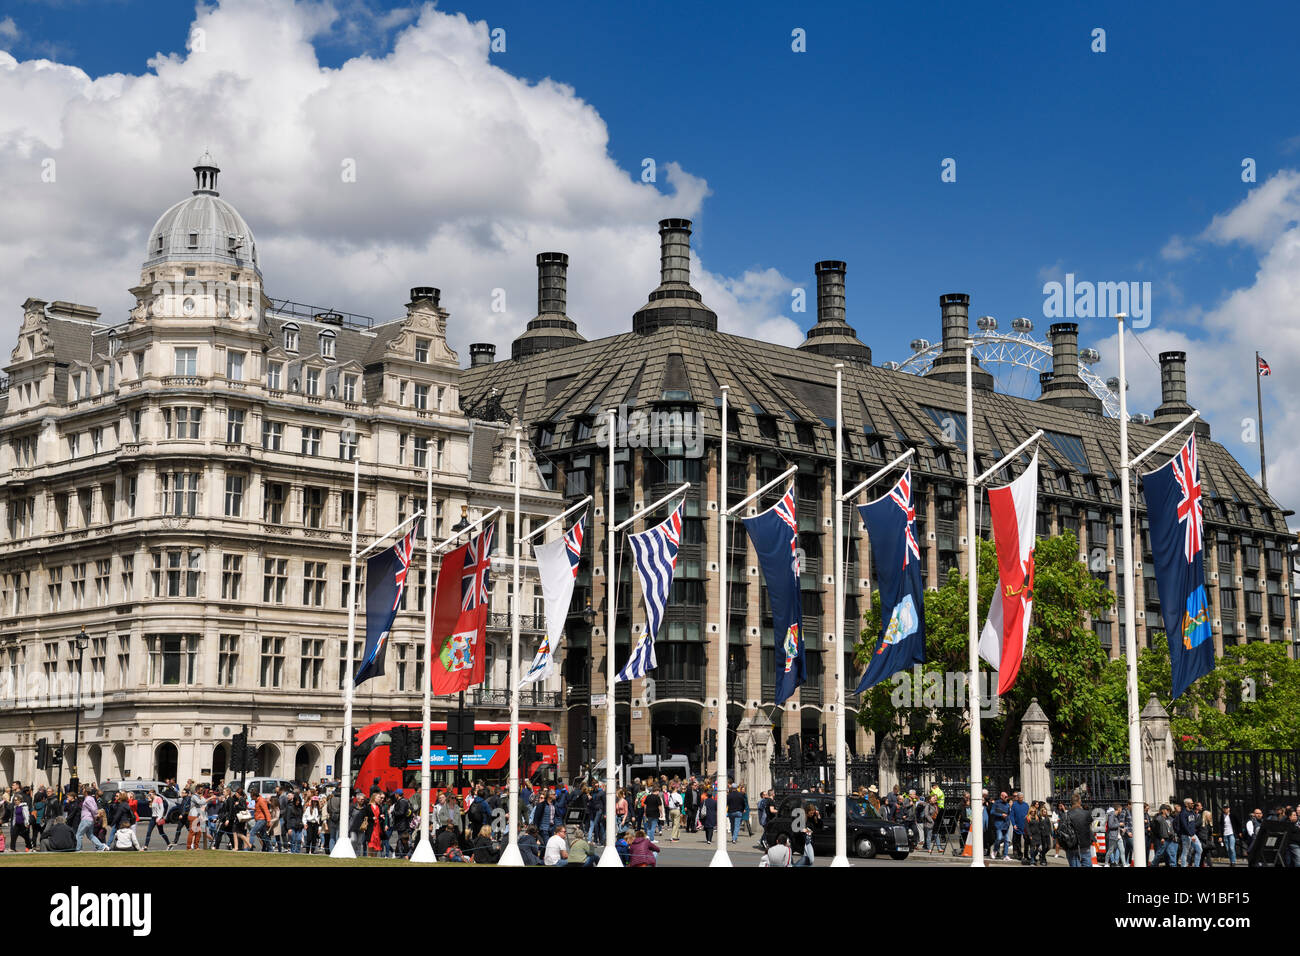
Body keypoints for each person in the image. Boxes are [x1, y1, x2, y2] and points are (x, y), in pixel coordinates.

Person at [1066, 797, 1092, 867]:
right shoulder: (1086, 813)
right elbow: (1090, 826)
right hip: (1085, 846)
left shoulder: (1066, 815)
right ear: (1079, 802)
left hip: (1071, 846)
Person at [1177, 798, 1201, 867]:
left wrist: (1193, 833)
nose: (1193, 804)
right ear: (1186, 804)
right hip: (1186, 835)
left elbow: (1193, 823)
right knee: (1185, 852)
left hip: (1193, 834)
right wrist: (1191, 835)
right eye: (1191, 803)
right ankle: (1184, 865)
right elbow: (1184, 826)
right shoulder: (1183, 813)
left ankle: (1197, 865)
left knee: (1199, 849)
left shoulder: (1192, 812)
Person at [1105, 801, 1128, 867]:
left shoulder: (1116, 815)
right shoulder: (1112, 815)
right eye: (1121, 809)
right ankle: (1106, 863)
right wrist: (1119, 824)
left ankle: (1124, 864)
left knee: (1122, 850)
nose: (1121, 810)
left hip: (1118, 836)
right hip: (1113, 836)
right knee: (1110, 850)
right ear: (1118, 809)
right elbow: (1110, 825)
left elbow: (1115, 826)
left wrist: (1121, 829)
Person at [990, 791, 1010, 860]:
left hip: (1006, 825)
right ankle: (994, 851)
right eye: (1005, 797)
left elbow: (1009, 814)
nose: (1006, 798)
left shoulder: (1007, 804)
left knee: (1007, 840)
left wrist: (1008, 822)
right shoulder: (996, 803)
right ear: (1001, 796)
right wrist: (1001, 815)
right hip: (999, 824)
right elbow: (992, 812)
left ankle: (1005, 855)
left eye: (1007, 797)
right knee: (999, 838)